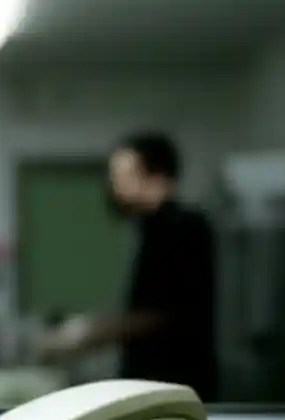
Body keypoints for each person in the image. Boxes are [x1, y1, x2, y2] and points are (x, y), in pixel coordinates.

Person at [41, 132, 219, 400]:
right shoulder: (150, 229)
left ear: (156, 177)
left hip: (176, 385)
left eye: (122, 176)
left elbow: (165, 312)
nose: (113, 185)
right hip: (151, 384)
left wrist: (89, 332)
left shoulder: (184, 228)